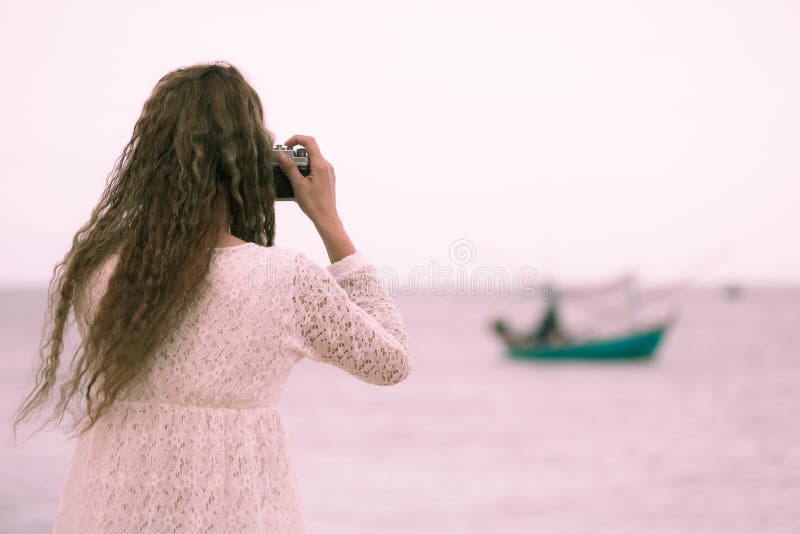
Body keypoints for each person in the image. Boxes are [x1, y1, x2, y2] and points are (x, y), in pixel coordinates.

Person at [11, 61, 412, 533]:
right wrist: (328, 219)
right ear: (250, 162)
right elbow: (391, 361)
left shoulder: (100, 271)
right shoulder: (283, 280)